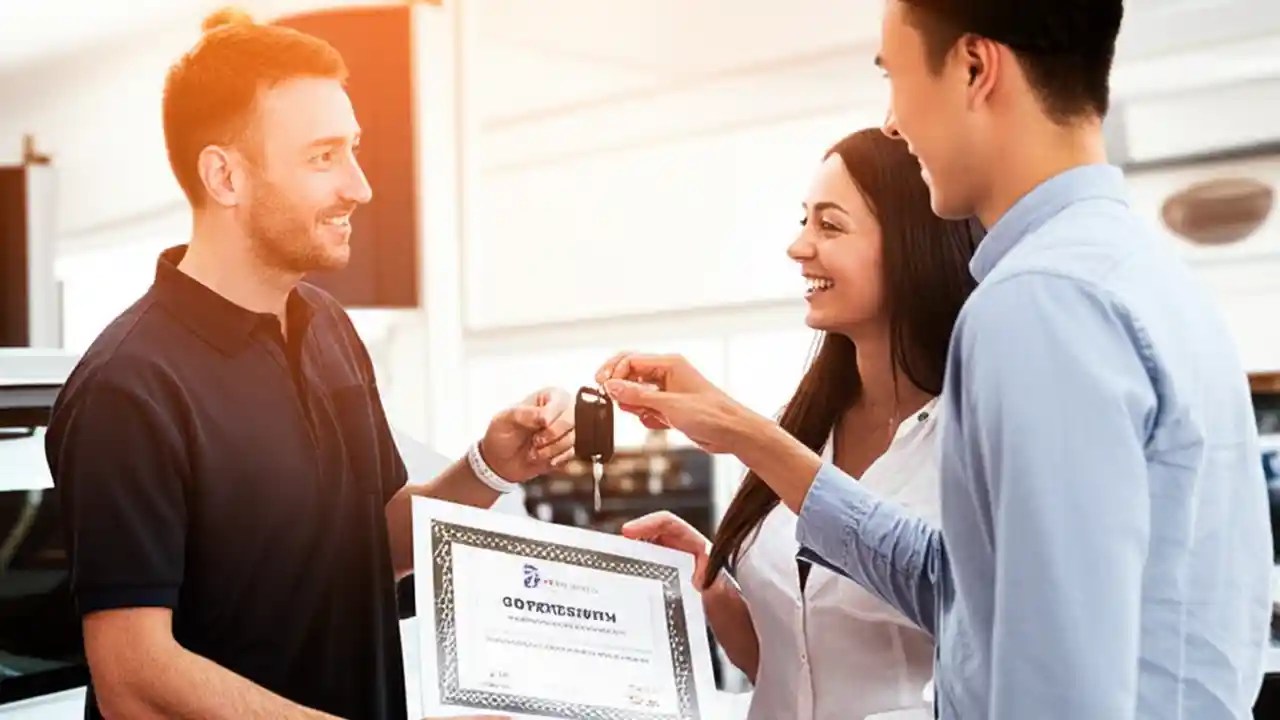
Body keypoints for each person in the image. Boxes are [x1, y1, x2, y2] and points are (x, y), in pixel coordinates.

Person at [598, 2, 1274, 719]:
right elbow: (966, 591)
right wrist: (741, 430)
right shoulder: (1140, 276)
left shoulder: (1039, 304)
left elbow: (1057, 691)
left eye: (896, 75)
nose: (893, 121)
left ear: (976, 68)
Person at [45, 12, 553, 720]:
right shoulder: (129, 388)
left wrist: (488, 469)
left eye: (354, 149)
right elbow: (135, 677)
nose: (360, 186)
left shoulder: (328, 329)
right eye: (323, 157)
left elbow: (364, 548)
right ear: (224, 175)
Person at [620, 129, 978, 720]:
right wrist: (709, 583)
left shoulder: (969, 435)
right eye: (804, 220)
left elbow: (969, 615)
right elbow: (788, 669)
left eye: (830, 226)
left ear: (912, 244)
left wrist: (739, 429)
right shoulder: (809, 425)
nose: (798, 246)